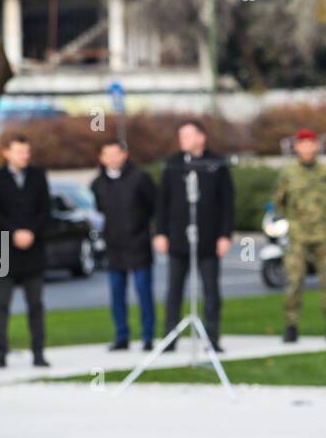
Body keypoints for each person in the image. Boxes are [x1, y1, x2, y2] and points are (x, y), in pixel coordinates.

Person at [155, 120, 233, 353]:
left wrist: (225, 235)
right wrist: (160, 232)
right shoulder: (173, 165)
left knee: (211, 289)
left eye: (188, 135)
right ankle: (170, 336)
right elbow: (162, 202)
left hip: (208, 239)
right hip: (179, 238)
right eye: (181, 136)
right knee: (174, 289)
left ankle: (212, 337)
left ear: (201, 137)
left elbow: (227, 203)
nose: (183, 140)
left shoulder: (216, 164)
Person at [0, 133, 50, 368]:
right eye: (20, 151)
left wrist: (31, 232)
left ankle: (39, 354)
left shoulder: (39, 176)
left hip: (33, 251)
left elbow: (45, 209)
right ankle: (1, 354)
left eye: (27, 151)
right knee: (0, 304)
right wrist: (14, 233)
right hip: (5, 250)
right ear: (6, 153)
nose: (25, 155)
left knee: (36, 305)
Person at [275, 128, 326, 344]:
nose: (307, 147)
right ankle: (290, 326)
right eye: (302, 143)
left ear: (316, 145)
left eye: (311, 143)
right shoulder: (288, 173)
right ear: (296, 147)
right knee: (294, 282)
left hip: (323, 234)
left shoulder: (325, 172)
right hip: (298, 236)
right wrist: (295, 221)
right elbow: (279, 202)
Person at [91, 140, 157, 351]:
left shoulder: (140, 178)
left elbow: (154, 206)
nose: (112, 158)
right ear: (101, 158)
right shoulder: (98, 184)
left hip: (138, 245)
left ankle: (148, 336)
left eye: (116, 153)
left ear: (124, 155)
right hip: (114, 247)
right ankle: (122, 336)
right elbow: (100, 212)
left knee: (143, 292)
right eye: (107, 154)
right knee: (117, 295)